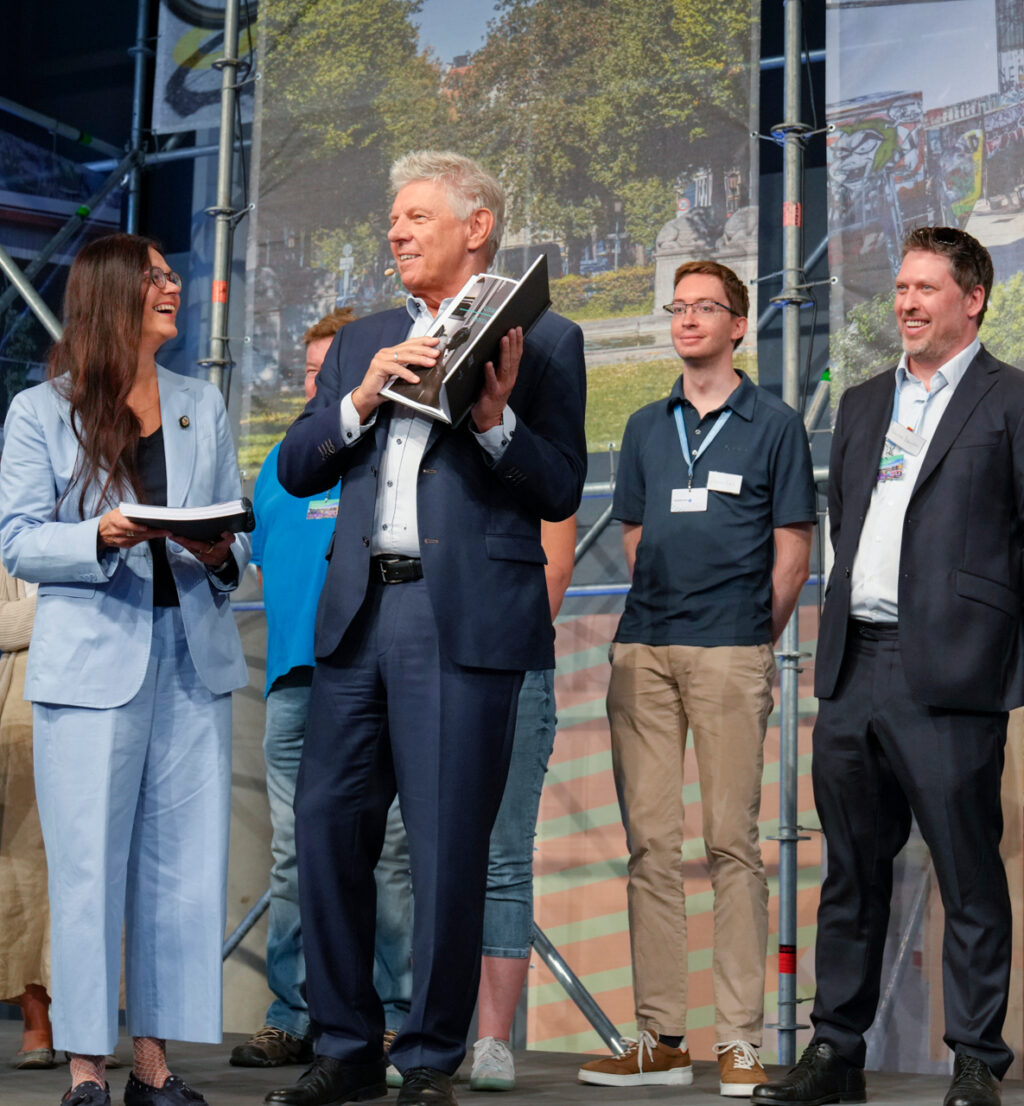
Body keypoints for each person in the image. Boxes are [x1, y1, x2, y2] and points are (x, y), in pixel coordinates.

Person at [266, 150, 586, 1106]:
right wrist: (362, 397)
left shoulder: (549, 338)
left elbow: (561, 483)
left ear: (476, 225)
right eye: (392, 220)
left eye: (415, 217)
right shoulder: (366, 334)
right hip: (360, 615)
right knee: (326, 828)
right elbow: (296, 466)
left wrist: (493, 422)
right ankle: (346, 1042)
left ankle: (431, 1056)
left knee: (448, 845)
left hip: (463, 621)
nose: (395, 232)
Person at [755, 226, 1020, 1106]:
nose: (905, 303)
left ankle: (977, 1057)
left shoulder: (1010, 401)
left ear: (973, 298)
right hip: (854, 663)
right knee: (851, 871)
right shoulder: (865, 402)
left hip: (951, 674)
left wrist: (1001, 667)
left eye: (925, 289)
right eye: (900, 288)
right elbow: (848, 522)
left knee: (966, 873)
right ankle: (837, 1052)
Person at [0, 232, 250, 1106]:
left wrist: (221, 551)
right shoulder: (41, 411)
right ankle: (84, 1070)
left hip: (190, 660)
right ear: (114, 294)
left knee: (180, 872)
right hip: (91, 667)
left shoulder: (200, 403)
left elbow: (236, 542)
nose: (175, 287)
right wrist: (100, 535)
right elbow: (19, 540)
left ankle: (153, 1066)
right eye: (157, 278)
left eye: (173, 276)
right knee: (88, 870)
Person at [578, 259, 816, 1095]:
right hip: (643, 651)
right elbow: (638, 540)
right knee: (650, 847)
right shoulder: (647, 425)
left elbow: (792, 554)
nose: (685, 319)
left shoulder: (775, 424)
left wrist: (750, 639)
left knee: (731, 846)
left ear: (738, 325)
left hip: (730, 653)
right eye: (676, 307)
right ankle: (661, 1038)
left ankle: (741, 1043)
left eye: (704, 306)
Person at [232, 307, 414, 1069]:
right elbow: (270, 567)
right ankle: (293, 1013)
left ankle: (395, 1014)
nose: (317, 382)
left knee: (388, 855)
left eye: (328, 371)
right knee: (292, 854)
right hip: (297, 683)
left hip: (377, 678)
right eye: (310, 371)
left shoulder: (390, 457)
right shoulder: (282, 464)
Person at [469, 515, 576, 1092]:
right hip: (436, 670)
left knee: (505, 859)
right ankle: (420, 1035)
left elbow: (555, 569)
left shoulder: (539, 454)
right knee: (426, 860)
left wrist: (495, 645)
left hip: (518, 666)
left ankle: (492, 1043)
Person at [0, 559, 52, 1068]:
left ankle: (91, 1019)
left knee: (103, 860)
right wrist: (66, 605)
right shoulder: (10, 531)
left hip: (110, 685)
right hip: (24, 693)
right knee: (27, 866)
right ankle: (38, 1021)